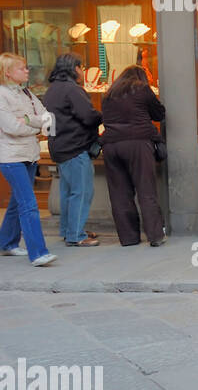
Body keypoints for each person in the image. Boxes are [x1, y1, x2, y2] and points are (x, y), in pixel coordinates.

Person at [0, 53, 57, 266]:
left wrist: (27, 120)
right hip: (11, 156)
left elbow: (47, 118)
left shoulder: (27, 93)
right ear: (7, 72)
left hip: (30, 155)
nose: (27, 71)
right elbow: (10, 127)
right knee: (28, 204)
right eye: (22, 68)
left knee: (17, 201)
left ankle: (6, 243)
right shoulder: (2, 95)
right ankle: (38, 253)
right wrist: (35, 128)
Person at [100, 65, 166, 247]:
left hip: (111, 145)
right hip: (137, 143)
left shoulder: (109, 94)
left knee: (119, 193)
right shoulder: (142, 89)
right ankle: (155, 235)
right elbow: (159, 114)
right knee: (146, 190)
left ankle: (129, 238)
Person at [43, 54, 102, 247]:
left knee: (68, 191)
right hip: (74, 147)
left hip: (59, 146)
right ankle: (76, 234)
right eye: (81, 67)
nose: (83, 71)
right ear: (74, 68)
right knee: (82, 192)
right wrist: (103, 116)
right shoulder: (72, 89)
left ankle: (69, 230)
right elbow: (88, 116)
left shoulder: (52, 89)